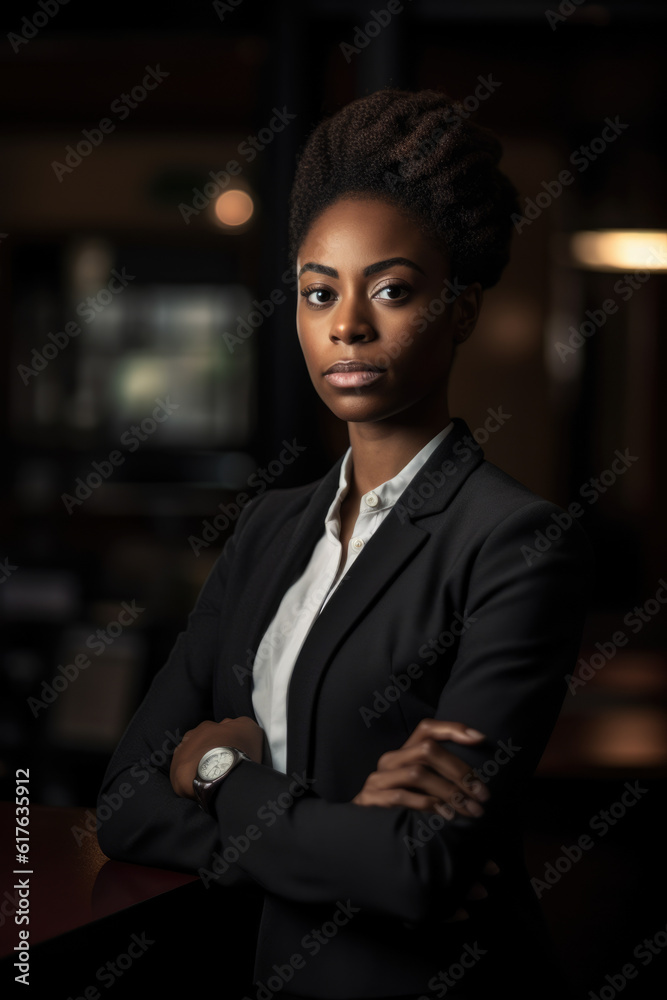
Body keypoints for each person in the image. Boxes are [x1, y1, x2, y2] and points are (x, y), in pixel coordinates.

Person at [97, 88, 593, 999]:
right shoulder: (269, 528)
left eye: (393, 289)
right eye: (318, 291)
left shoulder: (513, 542)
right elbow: (124, 804)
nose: (347, 324)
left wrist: (212, 771)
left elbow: (420, 868)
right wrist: (343, 843)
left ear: (463, 308)